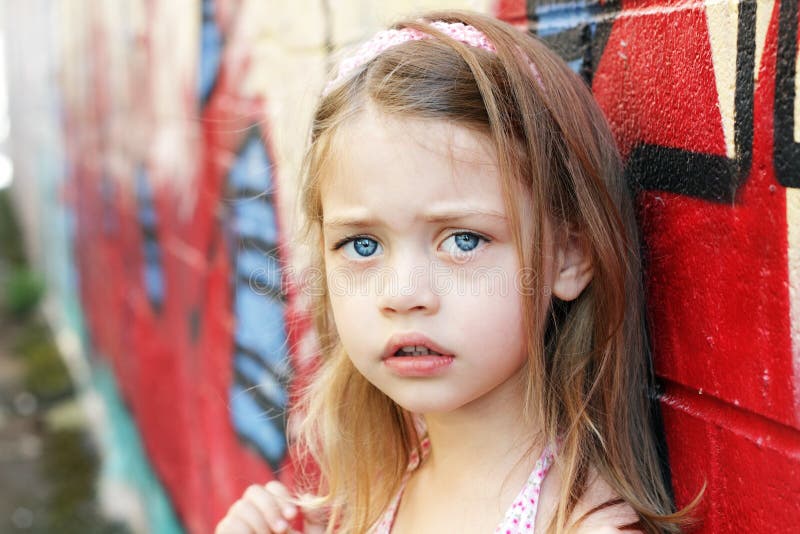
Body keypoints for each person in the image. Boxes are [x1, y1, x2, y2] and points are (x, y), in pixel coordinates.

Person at [216, 9, 698, 534]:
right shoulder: (375, 499)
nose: (402, 295)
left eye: (463, 240)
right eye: (361, 244)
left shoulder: (581, 526)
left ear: (568, 255)